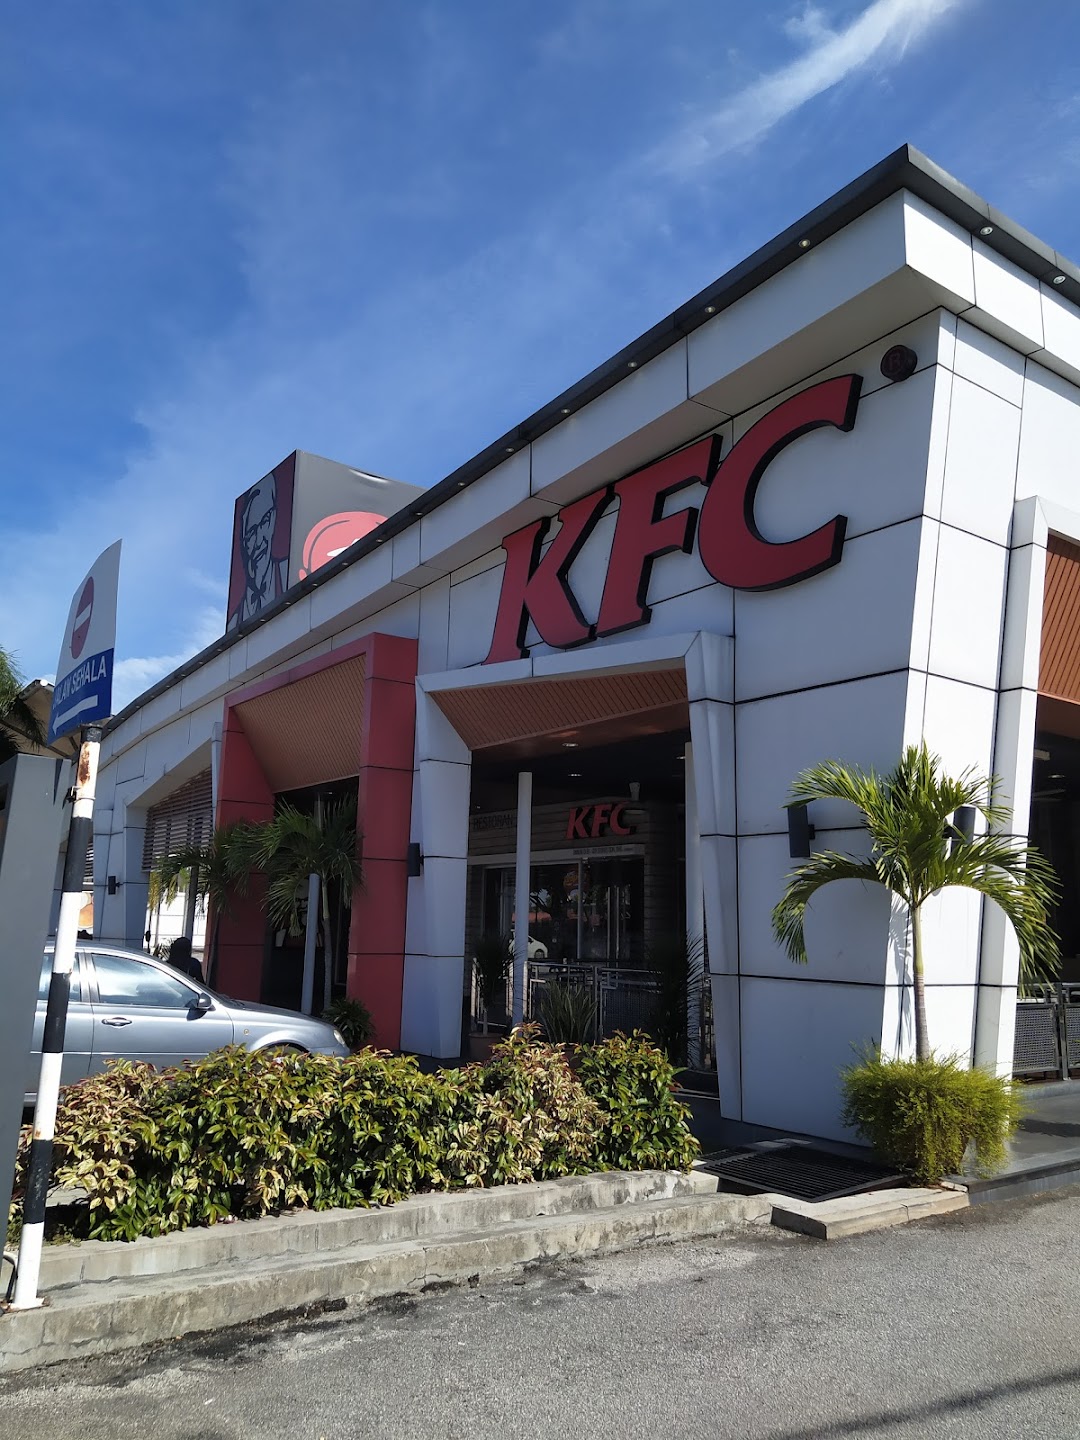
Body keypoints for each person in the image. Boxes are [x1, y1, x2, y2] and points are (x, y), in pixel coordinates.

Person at [226, 470, 289, 630]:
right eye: (251, 533)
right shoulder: (234, 624)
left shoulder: (289, 573)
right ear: (243, 542)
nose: (259, 540)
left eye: (265, 522)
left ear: (274, 518)